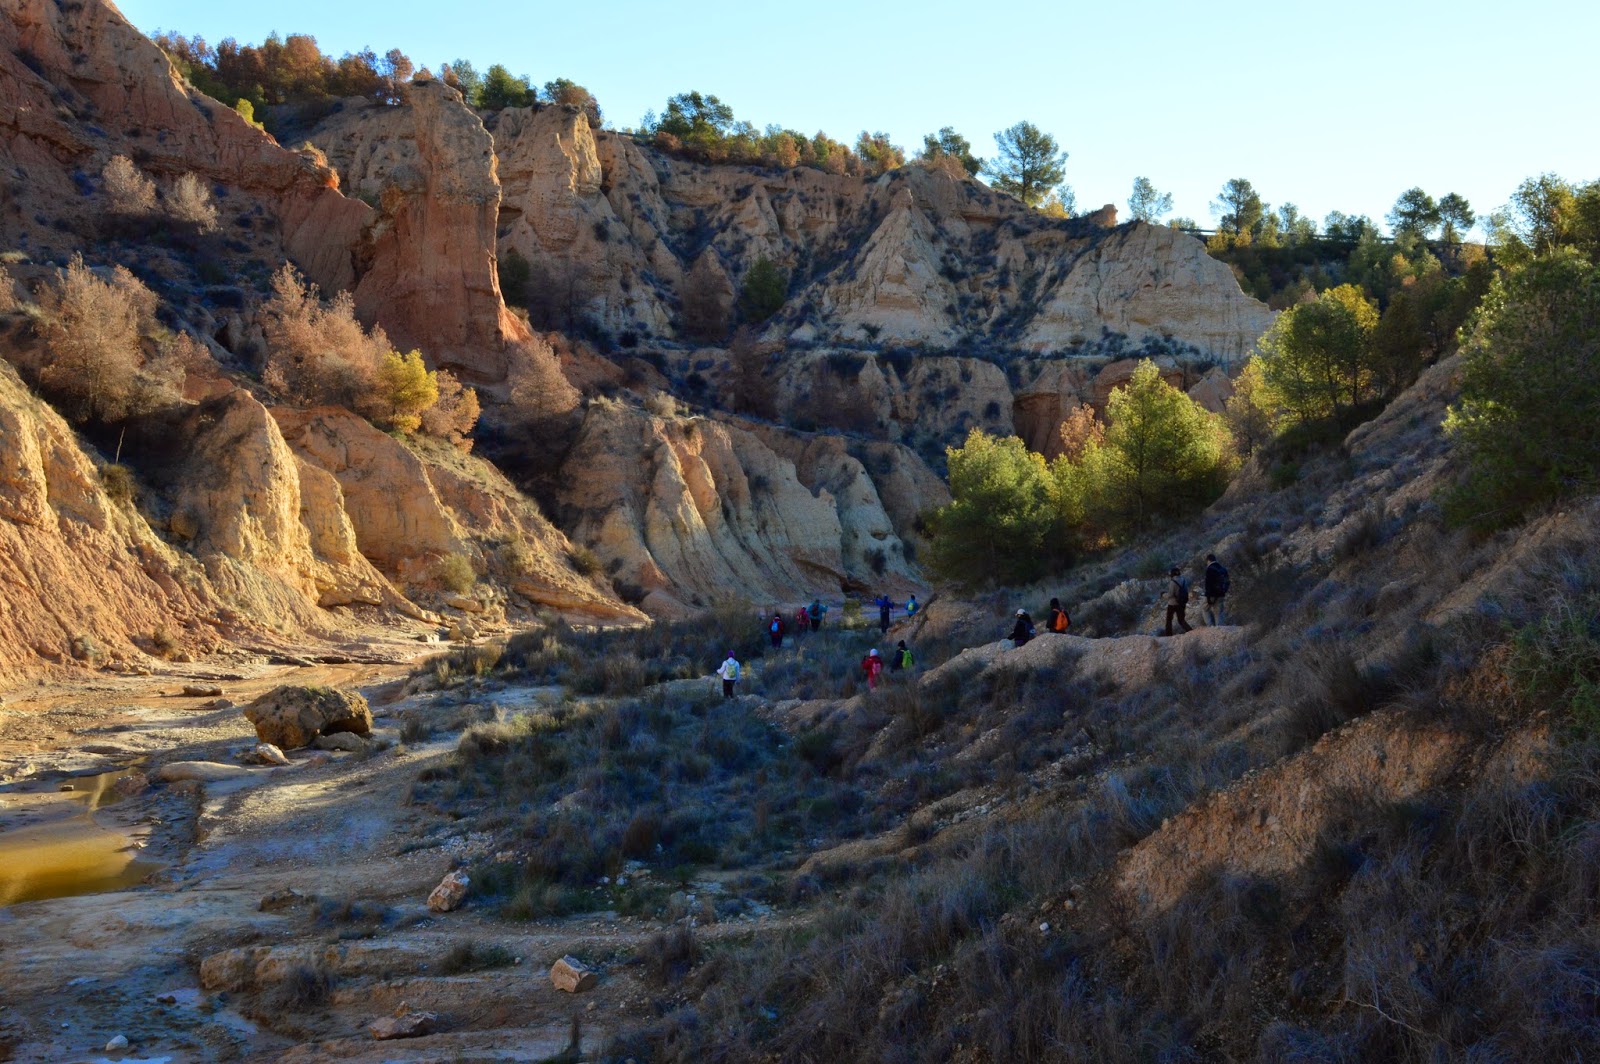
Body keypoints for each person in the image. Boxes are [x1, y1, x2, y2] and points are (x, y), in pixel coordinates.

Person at [1165, 566, 1193, 636]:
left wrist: (1163, 595)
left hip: (1173, 604)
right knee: (1181, 620)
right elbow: (1186, 591)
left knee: (1169, 620)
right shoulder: (1184, 580)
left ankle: (1168, 635)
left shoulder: (1172, 582)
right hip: (1182, 603)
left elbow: (1171, 594)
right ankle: (1191, 632)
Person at [1202, 553, 1230, 626]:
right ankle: (1219, 628)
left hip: (1212, 594)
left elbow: (1208, 584)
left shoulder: (1210, 569)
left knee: (1204, 609)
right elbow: (1227, 582)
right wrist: (1224, 590)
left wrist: (1208, 597)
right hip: (1221, 594)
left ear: (1208, 561)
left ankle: (1210, 626)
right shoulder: (1223, 569)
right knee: (1219, 612)